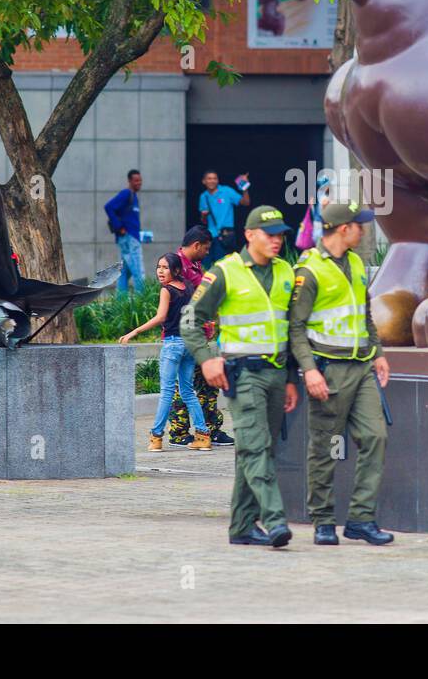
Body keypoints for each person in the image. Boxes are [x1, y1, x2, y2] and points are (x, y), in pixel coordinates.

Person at [180, 205, 299, 548]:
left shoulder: (287, 272)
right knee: (256, 445)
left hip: (276, 375)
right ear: (249, 235)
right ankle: (275, 520)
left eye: (280, 235)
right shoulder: (224, 272)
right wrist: (206, 358)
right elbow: (190, 320)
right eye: (270, 234)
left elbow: (290, 329)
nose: (277, 240)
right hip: (241, 375)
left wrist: (291, 376)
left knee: (258, 449)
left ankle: (242, 527)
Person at [289, 201, 393, 546]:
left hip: (361, 367)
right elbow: (296, 327)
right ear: (343, 229)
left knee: (375, 436)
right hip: (327, 370)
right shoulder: (309, 270)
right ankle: (322, 520)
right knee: (325, 447)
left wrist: (377, 353)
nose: (363, 230)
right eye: (359, 225)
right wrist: (308, 372)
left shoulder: (356, 263)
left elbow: (364, 314)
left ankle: (361, 519)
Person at [120, 252, 212, 452]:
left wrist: (135, 331)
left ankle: (156, 436)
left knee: (167, 392)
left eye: (165, 267)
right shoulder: (187, 286)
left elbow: (161, 317)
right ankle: (203, 436)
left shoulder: (167, 290)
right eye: (158, 267)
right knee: (188, 392)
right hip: (189, 344)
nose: (160, 271)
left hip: (172, 344)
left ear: (176, 270)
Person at [167, 227, 233, 446]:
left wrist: (208, 322)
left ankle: (211, 429)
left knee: (208, 382)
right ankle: (178, 432)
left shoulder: (195, 266)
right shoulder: (175, 266)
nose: (207, 253)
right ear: (196, 245)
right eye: (205, 248)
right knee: (183, 385)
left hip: (200, 335)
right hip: (183, 336)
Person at [105, 169, 145, 294]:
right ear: (129, 181)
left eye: (140, 180)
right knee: (138, 270)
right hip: (129, 238)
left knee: (124, 273)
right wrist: (119, 227)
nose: (139, 183)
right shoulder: (126, 193)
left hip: (131, 237)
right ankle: (143, 299)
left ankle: (120, 302)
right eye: (136, 180)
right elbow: (108, 207)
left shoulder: (134, 197)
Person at [198, 170, 250, 262]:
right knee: (207, 264)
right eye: (209, 178)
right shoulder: (203, 196)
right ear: (204, 181)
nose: (212, 181)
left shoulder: (226, 191)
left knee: (226, 262)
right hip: (211, 236)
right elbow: (204, 221)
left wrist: (244, 186)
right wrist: (204, 215)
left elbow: (245, 202)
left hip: (226, 235)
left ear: (218, 180)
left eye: (215, 178)